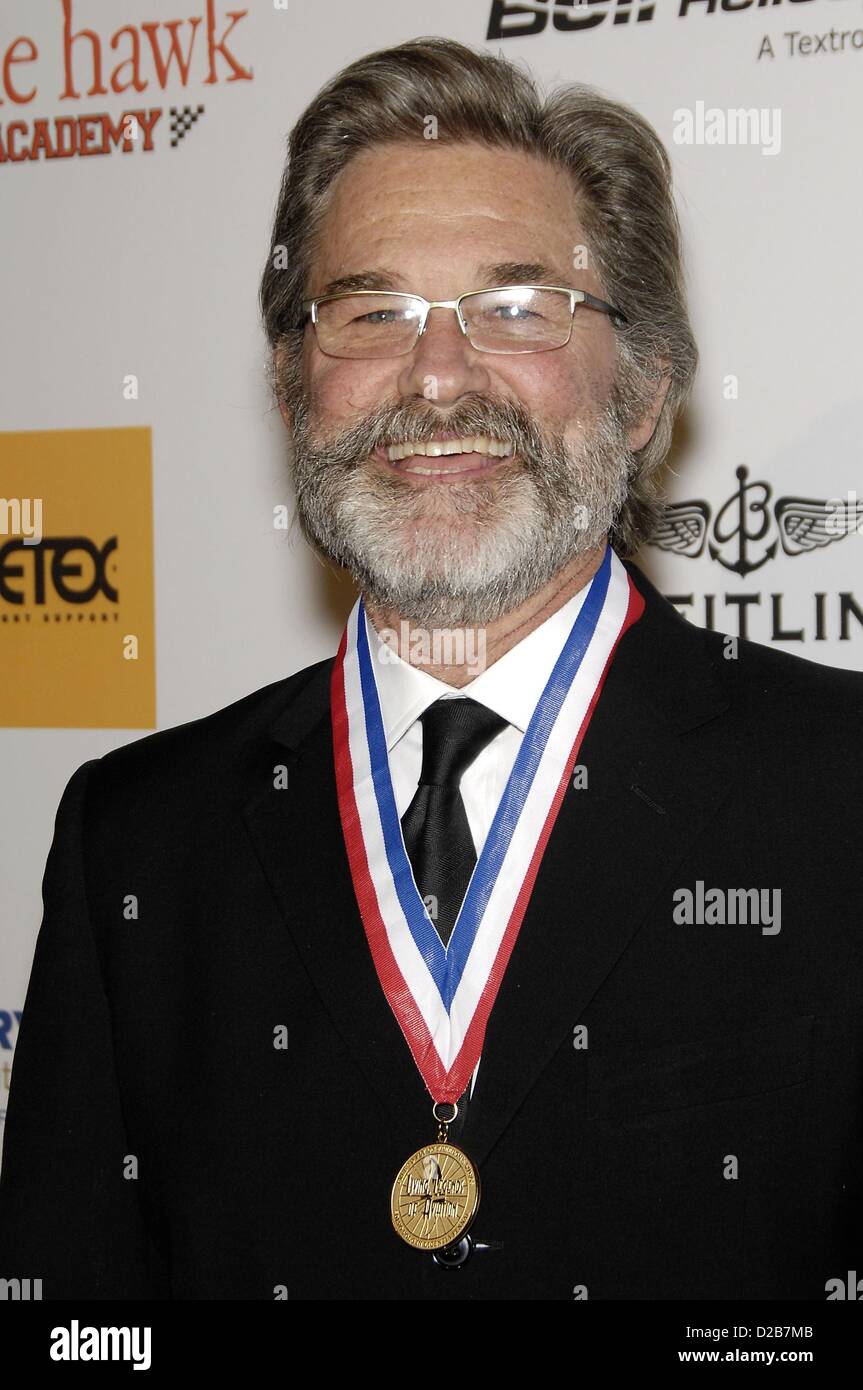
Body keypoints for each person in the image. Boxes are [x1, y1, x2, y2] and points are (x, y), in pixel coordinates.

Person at [1, 36, 860, 1301]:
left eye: (517, 308)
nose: (437, 374)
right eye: (372, 312)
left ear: (639, 392)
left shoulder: (839, 790)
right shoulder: (134, 839)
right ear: (293, 391)